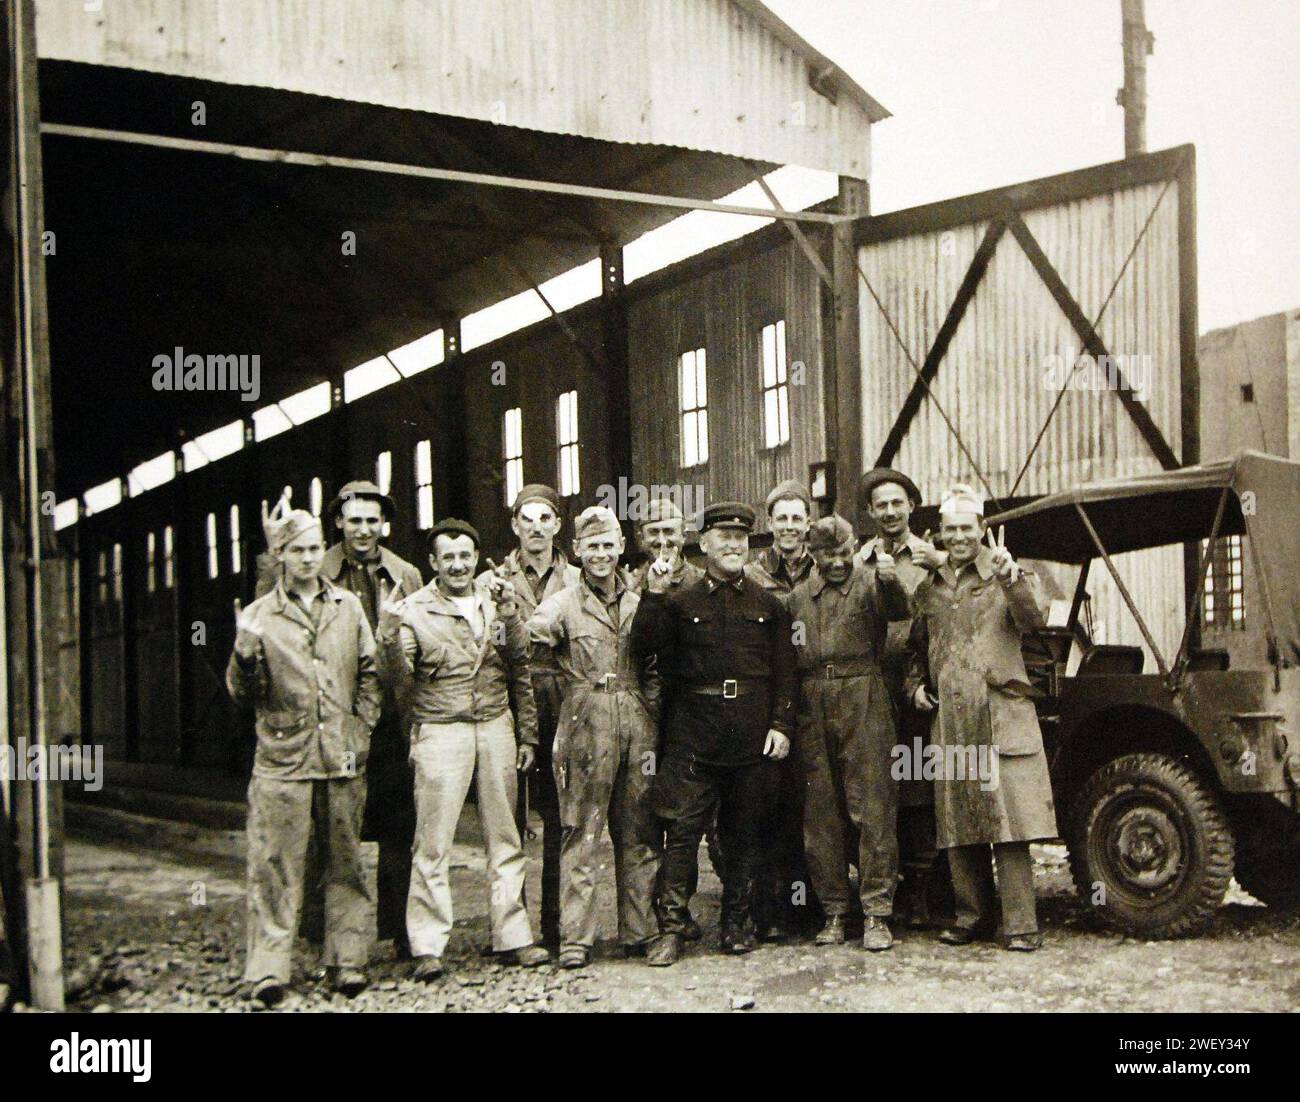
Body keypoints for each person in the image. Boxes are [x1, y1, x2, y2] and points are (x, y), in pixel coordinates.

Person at [256, 481, 423, 957]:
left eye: (373, 520)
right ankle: (319, 935)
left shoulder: (404, 573)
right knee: (326, 831)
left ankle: (402, 933)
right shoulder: (313, 566)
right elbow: (269, 609)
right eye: (354, 520)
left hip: (392, 718)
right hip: (329, 720)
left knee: (399, 828)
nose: (364, 530)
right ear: (338, 523)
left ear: (383, 524)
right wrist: (272, 555)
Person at [381, 518, 551, 979]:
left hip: (496, 726)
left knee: (506, 837)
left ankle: (513, 937)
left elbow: (520, 666)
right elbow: (398, 682)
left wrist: (528, 735)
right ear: (433, 563)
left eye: (465, 556)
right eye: (447, 557)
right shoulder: (412, 610)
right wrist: (387, 633)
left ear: (475, 558)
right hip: (441, 730)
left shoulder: (495, 600)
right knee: (433, 842)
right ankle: (428, 946)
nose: (458, 565)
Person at [632, 501, 797, 966]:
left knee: (745, 833)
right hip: (693, 735)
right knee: (682, 834)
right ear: (702, 545)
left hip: (750, 732)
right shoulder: (680, 602)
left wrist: (781, 725)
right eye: (722, 537)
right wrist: (654, 596)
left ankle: (736, 923)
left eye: (741, 538)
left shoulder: (769, 605)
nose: (733, 545)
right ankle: (670, 930)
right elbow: (644, 648)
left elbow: (786, 674)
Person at [227, 509, 382, 1007]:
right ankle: (269, 970)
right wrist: (246, 657)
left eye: (315, 548)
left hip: (340, 755)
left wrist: (361, 731)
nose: (309, 558)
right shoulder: (258, 616)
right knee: (275, 865)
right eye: (297, 550)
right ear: (281, 555)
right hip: (283, 760)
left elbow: (371, 675)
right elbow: (240, 692)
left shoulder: (349, 606)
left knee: (346, 863)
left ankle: (348, 961)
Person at [904, 486, 1058, 951]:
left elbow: (1034, 622)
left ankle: (1021, 925)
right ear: (940, 534)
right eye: (950, 529)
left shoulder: (1008, 573)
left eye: (967, 528)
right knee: (958, 824)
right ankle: (971, 917)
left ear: (982, 529)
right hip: (951, 718)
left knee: (1008, 825)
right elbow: (915, 648)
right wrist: (914, 688)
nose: (959, 537)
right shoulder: (929, 589)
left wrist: (1012, 578)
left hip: (1000, 713)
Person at [527, 506, 660, 968]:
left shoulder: (641, 601)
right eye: (592, 546)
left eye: (609, 545)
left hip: (636, 718)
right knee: (580, 831)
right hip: (586, 720)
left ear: (621, 548)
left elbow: (656, 663)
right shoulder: (562, 602)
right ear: (578, 551)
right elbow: (532, 641)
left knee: (639, 827)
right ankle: (576, 938)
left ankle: (640, 930)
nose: (601, 554)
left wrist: (653, 709)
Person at [787, 515, 911, 950]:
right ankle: (835, 910)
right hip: (812, 698)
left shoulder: (871, 585)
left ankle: (877, 914)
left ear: (854, 548)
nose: (838, 562)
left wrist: (891, 578)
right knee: (821, 812)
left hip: (865, 695)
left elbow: (900, 610)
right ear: (812, 554)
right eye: (827, 554)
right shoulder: (798, 598)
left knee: (873, 805)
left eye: (844, 552)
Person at [479, 483, 580, 951]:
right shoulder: (492, 580)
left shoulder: (578, 578)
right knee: (510, 819)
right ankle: (512, 933)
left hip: (564, 697)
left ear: (558, 525)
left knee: (561, 816)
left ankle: (558, 927)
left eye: (545, 519)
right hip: (512, 698)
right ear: (514, 526)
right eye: (527, 519)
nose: (536, 528)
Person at [856, 468, 953, 929]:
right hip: (876, 686)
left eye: (898, 502)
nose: (890, 511)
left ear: (912, 506)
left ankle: (924, 891)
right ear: (870, 513)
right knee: (880, 787)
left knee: (921, 787)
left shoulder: (934, 556)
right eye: (881, 505)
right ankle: (885, 890)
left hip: (922, 685)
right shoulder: (859, 562)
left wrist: (938, 560)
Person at [747, 479, 815, 940]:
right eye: (781, 518)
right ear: (769, 524)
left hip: (817, 696)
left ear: (807, 524)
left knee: (813, 807)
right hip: (770, 700)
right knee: (768, 805)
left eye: (797, 518)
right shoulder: (752, 574)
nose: (789, 526)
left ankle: (809, 905)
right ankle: (769, 910)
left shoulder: (826, 568)